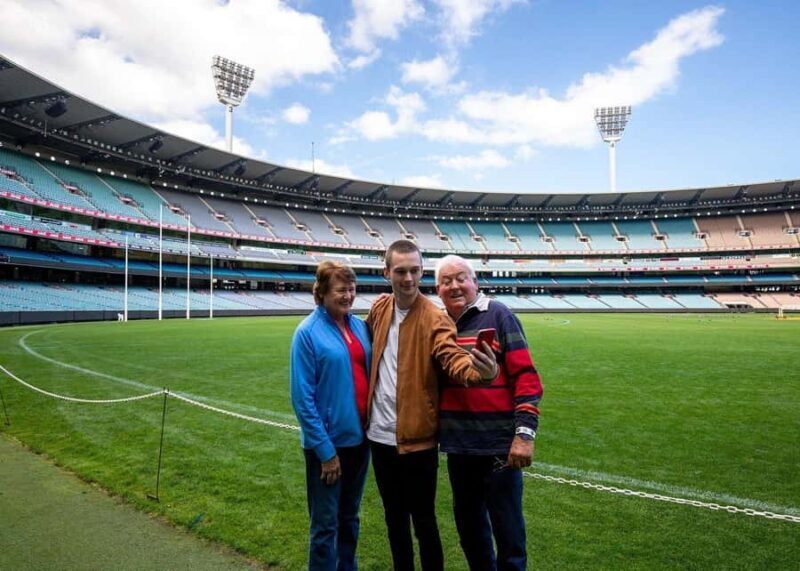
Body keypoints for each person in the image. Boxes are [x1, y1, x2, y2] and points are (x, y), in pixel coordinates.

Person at [366, 240, 498, 571]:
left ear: (422, 272)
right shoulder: (379, 310)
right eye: (400, 271)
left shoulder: (435, 317)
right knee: (394, 520)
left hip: (418, 442)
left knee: (424, 523)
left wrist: (477, 372)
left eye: (414, 271)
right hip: (379, 439)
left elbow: (451, 355)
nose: (408, 278)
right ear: (387, 273)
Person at [435, 254, 543, 571]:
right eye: (446, 281)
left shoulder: (498, 315)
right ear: (437, 289)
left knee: (508, 532)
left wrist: (524, 434)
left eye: (461, 278)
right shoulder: (438, 324)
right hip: (459, 447)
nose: (454, 286)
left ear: (475, 282)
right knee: (471, 532)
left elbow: (527, 377)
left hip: (498, 446)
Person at [290, 260, 372, 571]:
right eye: (341, 290)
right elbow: (302, 398)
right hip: (328, 448)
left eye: (352, 289)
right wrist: (325, 451)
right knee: (325, 526)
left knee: (350, 518)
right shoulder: (307, 333)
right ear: (322, 292)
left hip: (360, 442)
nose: (348, 295)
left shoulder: (359, 326)